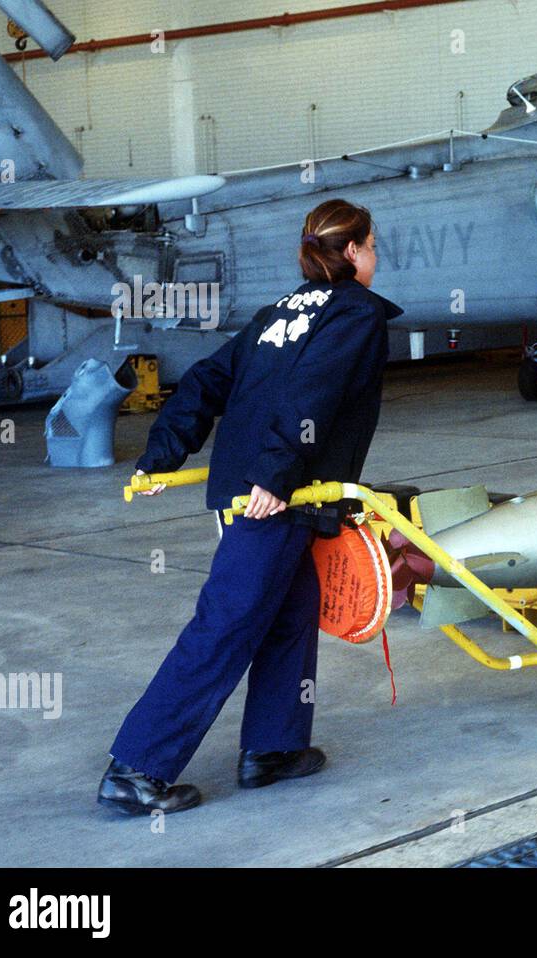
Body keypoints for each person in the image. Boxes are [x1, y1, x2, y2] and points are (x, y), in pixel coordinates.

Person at [98, 199, 403, 815]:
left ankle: (274, 746)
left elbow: (209, 379)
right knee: (228, 620)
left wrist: (161, 454)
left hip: (268, 487)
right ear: (351, 253)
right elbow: (311, 392)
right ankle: (137, 768)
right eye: (371, 246)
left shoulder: (277, 313)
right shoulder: (355, 314)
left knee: (292, 613)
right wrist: (275, 472)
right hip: (275, 493)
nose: (375, 256)